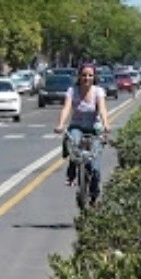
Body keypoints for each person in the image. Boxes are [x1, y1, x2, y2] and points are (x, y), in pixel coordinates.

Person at [54, 62, 112, 205]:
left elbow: (103, 109)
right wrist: (61, 124)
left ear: (94, 77)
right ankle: (72, 173)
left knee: (95, 168)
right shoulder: (72, 91)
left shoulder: (98, 91)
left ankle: (93, 195)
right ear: (79, 76)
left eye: (90, 75)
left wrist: (106, 124)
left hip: (94, 128)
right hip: (77, 126)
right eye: (84, 75)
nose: (87, 78)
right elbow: (66, 108)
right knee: (73, 141)